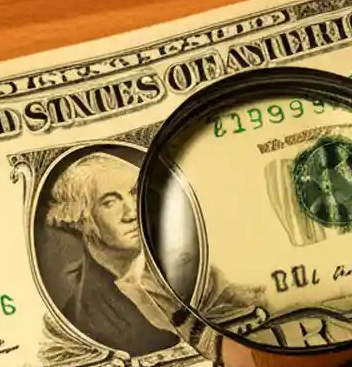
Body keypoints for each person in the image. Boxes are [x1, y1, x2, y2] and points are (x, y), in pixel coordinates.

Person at [43, 151, 258, 355]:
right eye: (110, 202)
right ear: (80, 220)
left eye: (134, 193)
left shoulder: (193, 270)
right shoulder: (81, 316)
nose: (132, 213)